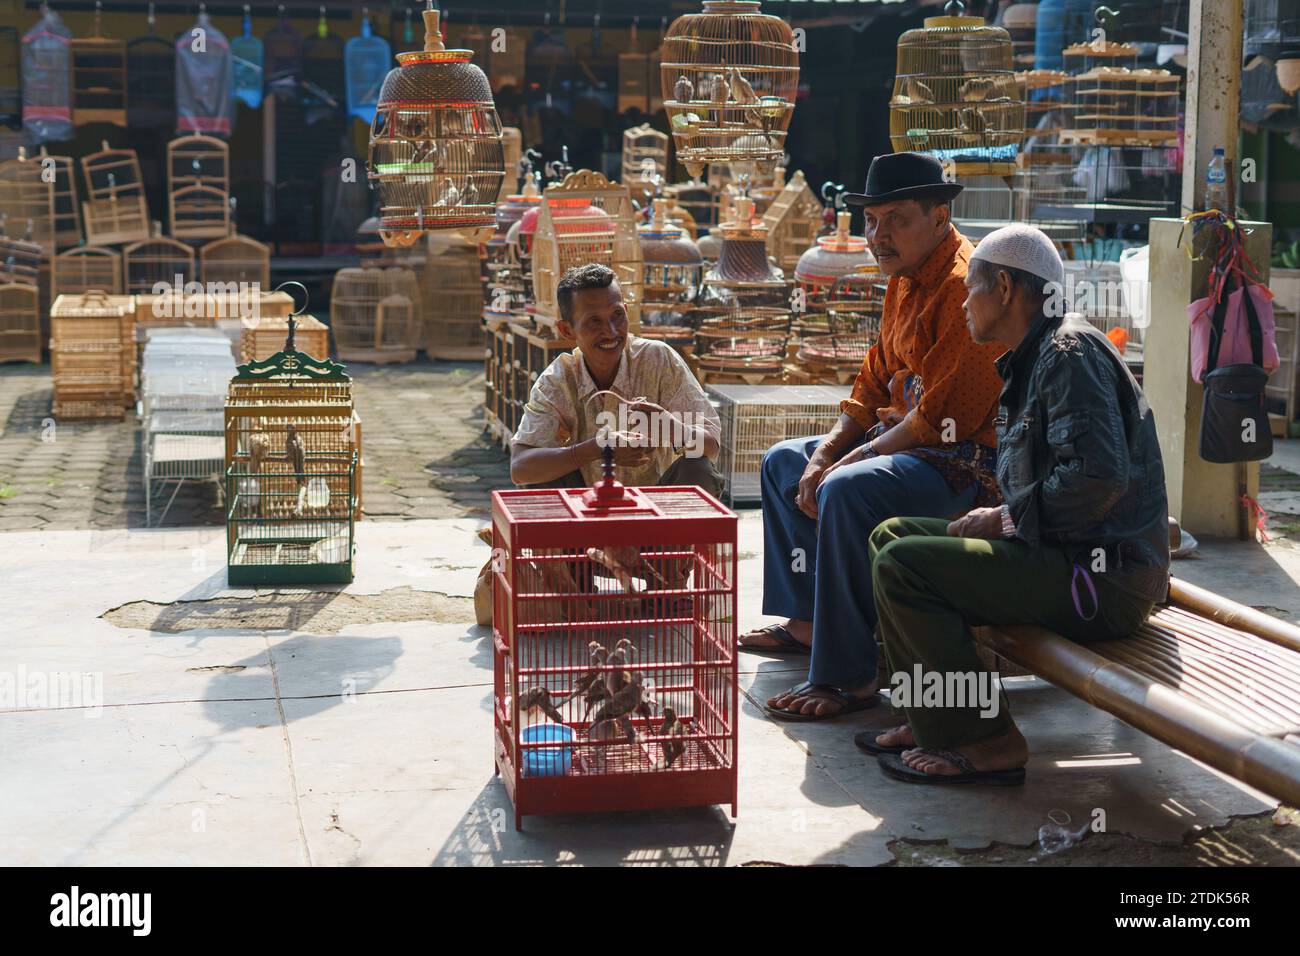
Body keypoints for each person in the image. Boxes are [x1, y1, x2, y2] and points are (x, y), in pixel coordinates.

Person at [864, 223, 1170, 785]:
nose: (962, 307)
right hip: (1060, 553)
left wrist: (1004, 518)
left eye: (969, 292)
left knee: (903, 567)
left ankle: (986, 738)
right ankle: (934, 711)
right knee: (890, 536)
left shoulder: (1067, 353)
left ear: (1003, 287)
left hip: (1104, 579)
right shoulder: (1033, 357)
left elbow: (1100, 478)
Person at [747, 152, 1006, 721]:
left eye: (897, 219)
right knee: (785, 464)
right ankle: (808, 621)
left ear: (940, 218)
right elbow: (870, 385)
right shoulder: (903, 278)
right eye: (872, 220)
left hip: (965, 467)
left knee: (846, 488)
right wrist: (824, 454)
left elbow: (939, 419)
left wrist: (846, 463)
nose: (878, 235)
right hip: (909, 446)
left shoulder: (964, 284)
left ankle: (848, 676)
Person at [511, 262, 722, 495]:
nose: (611, 331)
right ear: (567, 330)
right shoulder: (557, 380)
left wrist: (673, 428)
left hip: (660, 513)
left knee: (699, 468)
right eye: (594, 321)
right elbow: (520, 467)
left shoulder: (659, 359)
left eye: (617, 315)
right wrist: (599, 448)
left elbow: (711, 447)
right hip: (586, 514)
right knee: (541, 474)